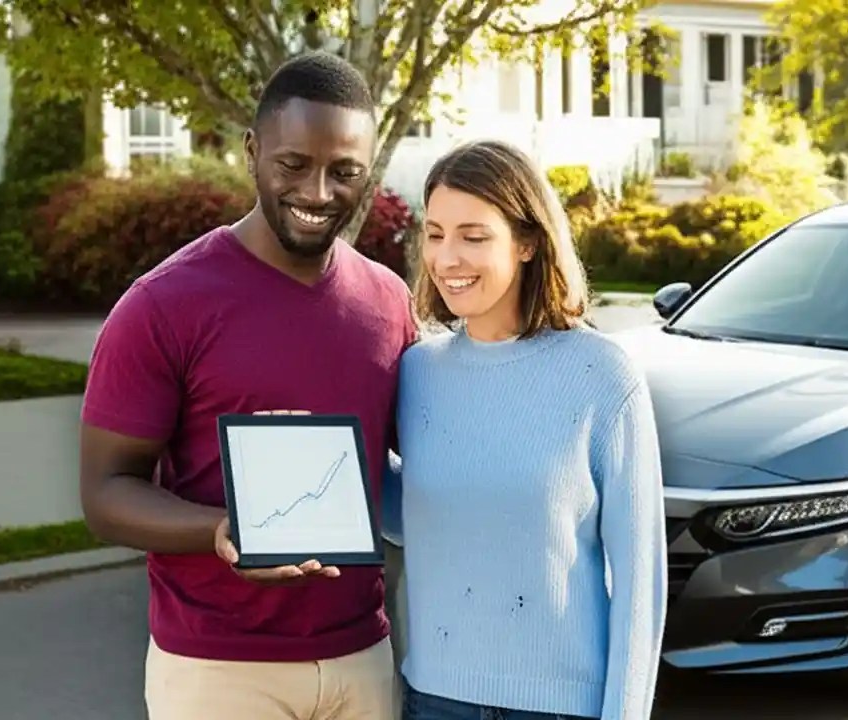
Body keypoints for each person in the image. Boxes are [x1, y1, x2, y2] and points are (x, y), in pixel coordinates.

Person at [78, 51, 417, 720]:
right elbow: (105, 494)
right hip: (218, 671)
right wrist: (222, 531)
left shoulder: (388, 300)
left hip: (362, 660)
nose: (319, 193)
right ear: (253, 151)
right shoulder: (163, 305)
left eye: (345, 172)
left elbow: (422, 460)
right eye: (294, 165)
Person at [394, 140, 668, 720]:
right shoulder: (417, 371)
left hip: (562, 706)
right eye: (435, 233)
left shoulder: (600, 374)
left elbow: (641, 580)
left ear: (527, 243)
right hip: (438, 699)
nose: (447, 258)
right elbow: (414, 516)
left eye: (473, 236)